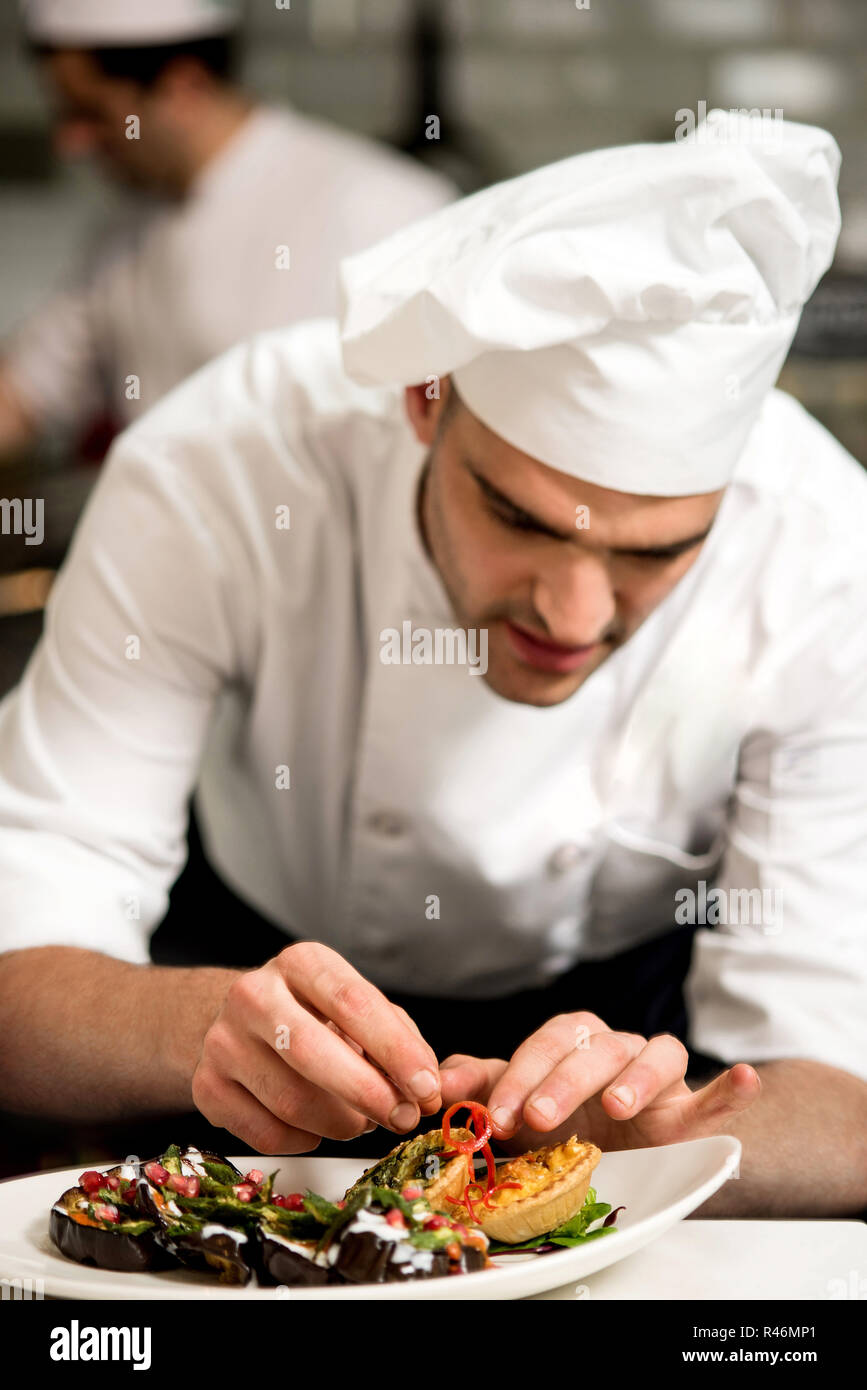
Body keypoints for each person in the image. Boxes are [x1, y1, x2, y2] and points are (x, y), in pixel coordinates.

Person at [0, 111, 865, 1217]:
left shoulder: (827, 552)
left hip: (627, 1042)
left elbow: (838, 1093)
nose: (573, 610)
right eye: (520, 516)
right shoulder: (221, 463)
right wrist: (189, 1030)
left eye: (657, 555)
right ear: (426, 396)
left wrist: (676, 1137)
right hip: (237, 1000)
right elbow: (22, 959)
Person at [0, 0, 455, 456]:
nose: (70, 142)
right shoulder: (125, 233)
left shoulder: (388, 206)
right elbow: (24, 394)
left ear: (184, 87)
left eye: (90, 113)